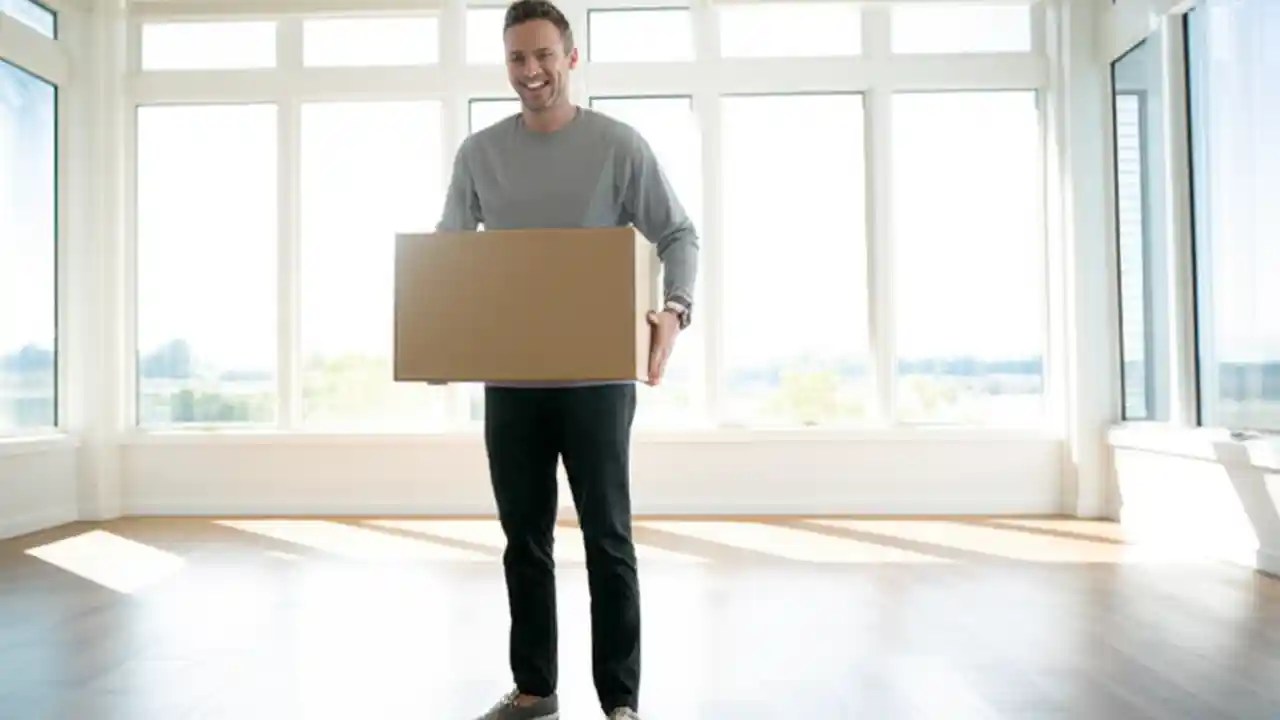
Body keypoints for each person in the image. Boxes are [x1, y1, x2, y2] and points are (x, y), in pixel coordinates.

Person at [435, 1, 699, 718]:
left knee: (609, 541)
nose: (531, 72)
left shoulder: (618, 145)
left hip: (598, 384)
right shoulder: (479, 154)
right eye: (517, 58)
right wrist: (433, 331)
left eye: (543, 55)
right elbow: (448, 257)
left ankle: (620, 701)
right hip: (513, 383)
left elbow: (678, 232)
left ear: (571, 58)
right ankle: (536, 689)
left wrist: (675, 311)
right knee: (524, 541)